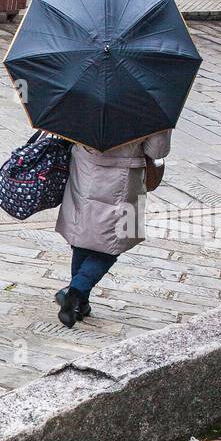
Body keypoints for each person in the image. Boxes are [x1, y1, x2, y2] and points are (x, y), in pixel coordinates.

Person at [53, 130, 171, 327]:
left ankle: (80, 303)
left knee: (84, 236)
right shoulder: (147, 105)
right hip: (124, 178)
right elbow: (157, 151)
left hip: (84, 169)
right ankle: (75, 292)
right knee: (111, 245)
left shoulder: (84, 98)